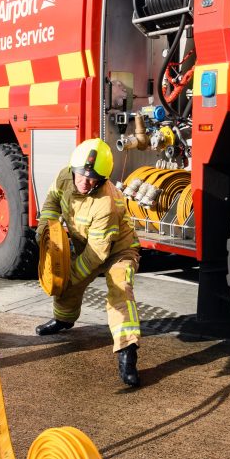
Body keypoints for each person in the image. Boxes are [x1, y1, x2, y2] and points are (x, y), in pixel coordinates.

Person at [35, 138, 143, 387]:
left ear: (103, 180)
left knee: (119, 287)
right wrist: (44, 231)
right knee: (69, 280)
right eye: (80, 175)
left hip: (119, 250)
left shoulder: (107, 203)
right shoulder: (65, 176)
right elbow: (51, 202)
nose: (84, 181)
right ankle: (63, 319)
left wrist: (68, 276)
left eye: (92, 178)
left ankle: (128, 352)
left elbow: (96, 255)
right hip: (88, 244)